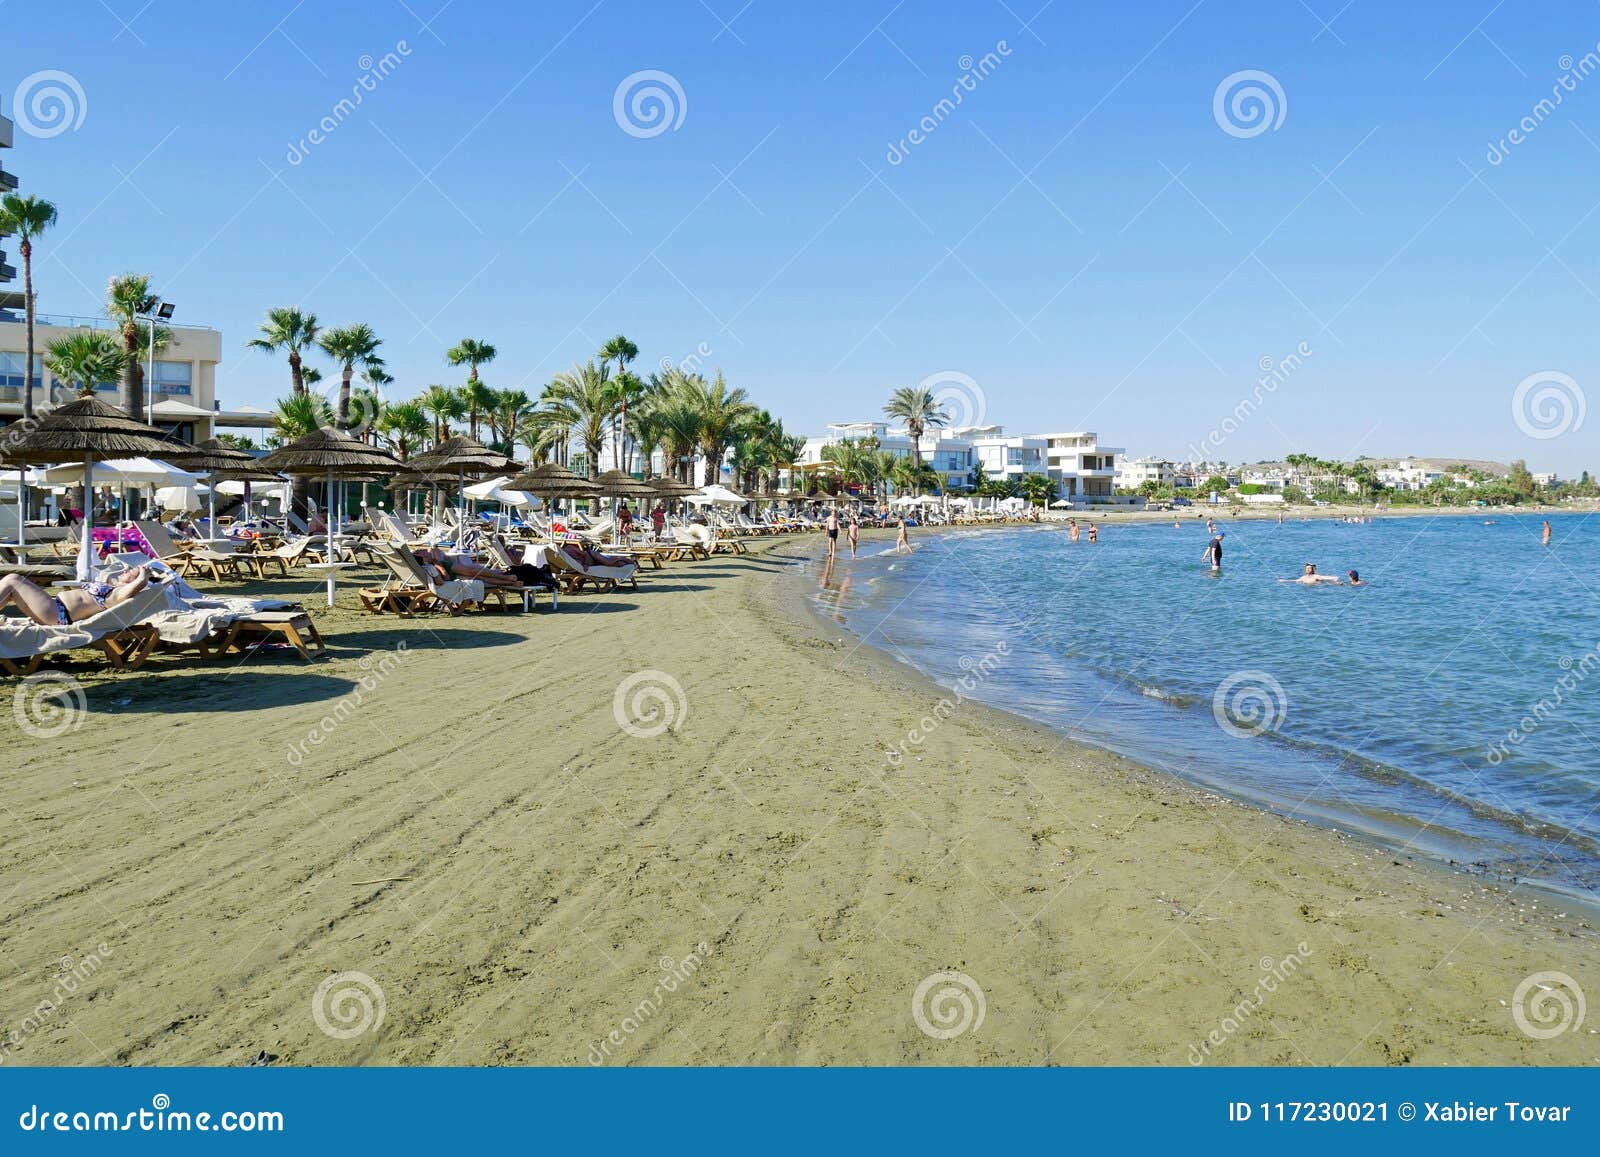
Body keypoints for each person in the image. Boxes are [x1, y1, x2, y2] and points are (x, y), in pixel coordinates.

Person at [0, 565, 154, 626]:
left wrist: (144, 574)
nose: (125, 570)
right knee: (12, 587)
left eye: (130, 571)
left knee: (13, 580)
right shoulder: (112, 586)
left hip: (57, 614)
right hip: (55, 608)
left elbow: (140, 583)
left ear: (132, 581)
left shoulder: (116, 594)